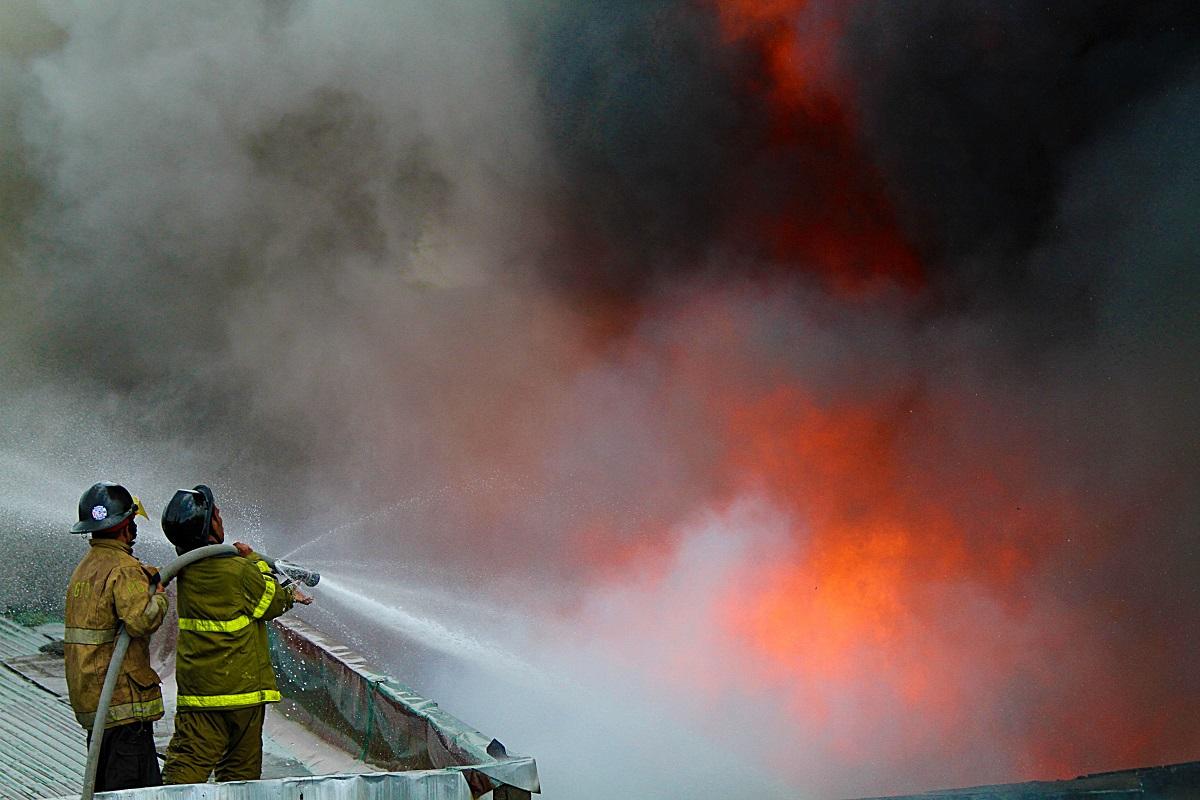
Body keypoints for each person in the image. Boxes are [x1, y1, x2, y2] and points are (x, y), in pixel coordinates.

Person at [159, 484, 312, 784]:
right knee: (239, 776)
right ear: (209, 529)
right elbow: (272, 600)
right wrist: (254, 560)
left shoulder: (185, 571)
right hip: (243, 694)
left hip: (200, 694)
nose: (221, 517)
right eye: (216, 514)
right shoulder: (239, 570)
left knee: (186, 767)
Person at [64, 481, 168, 791]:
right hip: (124, 704)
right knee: (134, 792)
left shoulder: (85, 568)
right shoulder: (123, 568)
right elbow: (141, 620)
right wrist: (159, 595)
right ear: (126, 524)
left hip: (96, 704)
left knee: (107, 788)